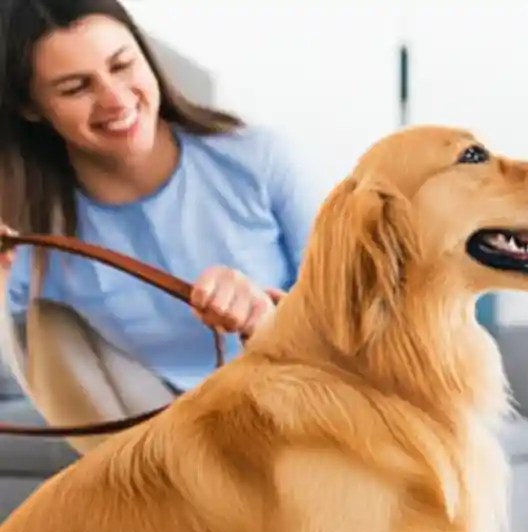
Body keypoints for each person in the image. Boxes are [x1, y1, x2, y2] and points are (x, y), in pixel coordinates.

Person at [0, 0, 321, 403]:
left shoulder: (257, 158)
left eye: (122, 65)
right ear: (30, 108)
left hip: (296, 397)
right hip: (153, 428)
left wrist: (270, 318)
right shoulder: (28, 228)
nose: (116, 100)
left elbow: (351, 320)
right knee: (47, 328)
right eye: (76, 87)